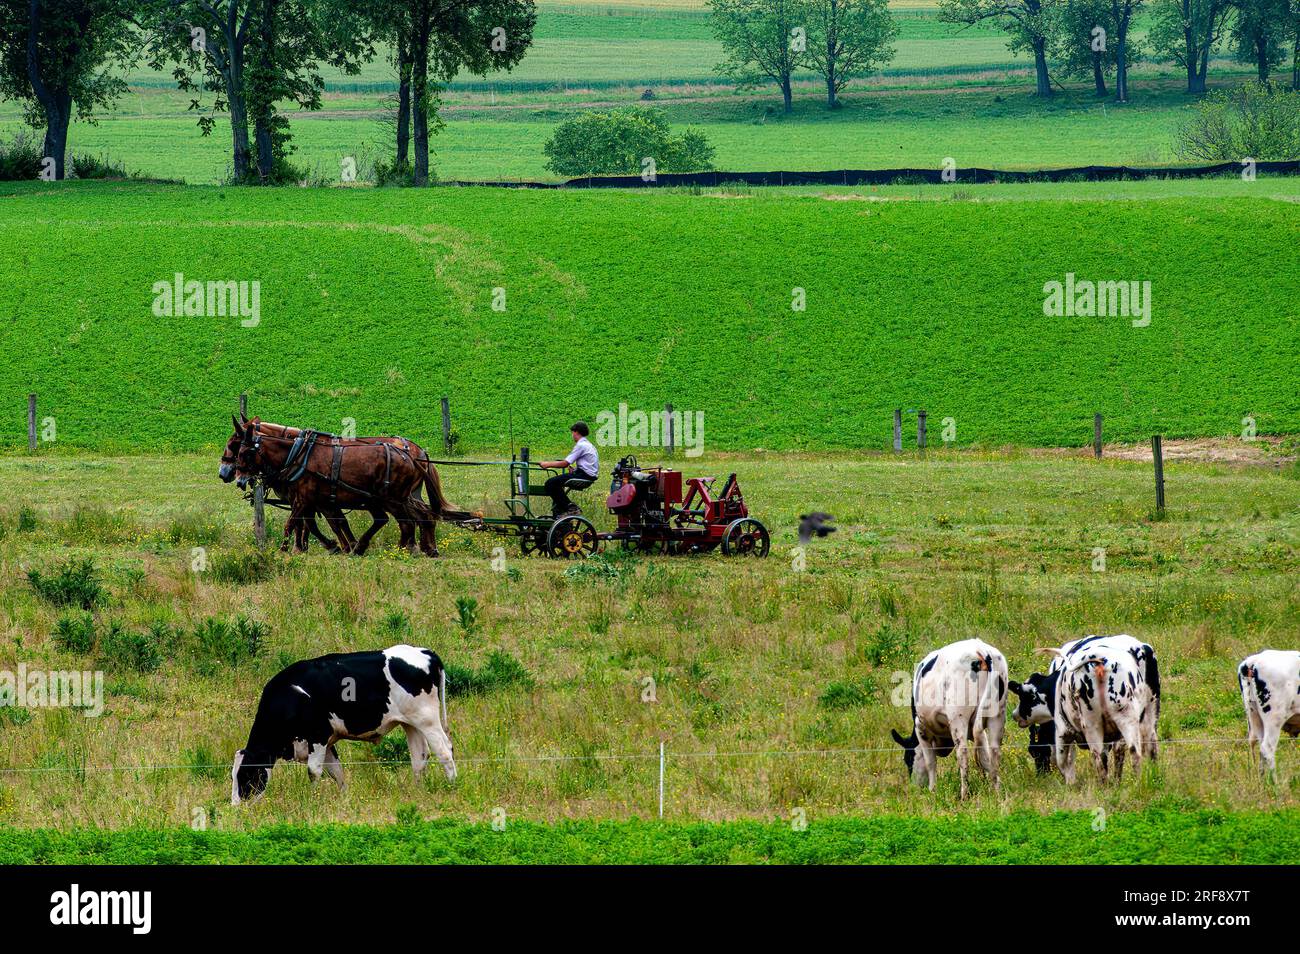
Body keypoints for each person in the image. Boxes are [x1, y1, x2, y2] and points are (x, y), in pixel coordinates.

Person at [538, 422, 599, 517]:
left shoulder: (581, 445)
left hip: (584, 475)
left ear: (576, 432)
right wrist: (575, 471)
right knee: (556, 483)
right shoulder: (589, 445)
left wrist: (547, 464)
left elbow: (565, 463)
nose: (572, 435)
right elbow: (588, 465)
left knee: (550, 483)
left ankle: (570, 508)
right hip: (585, 474)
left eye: (572, 432)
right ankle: (562, 509)